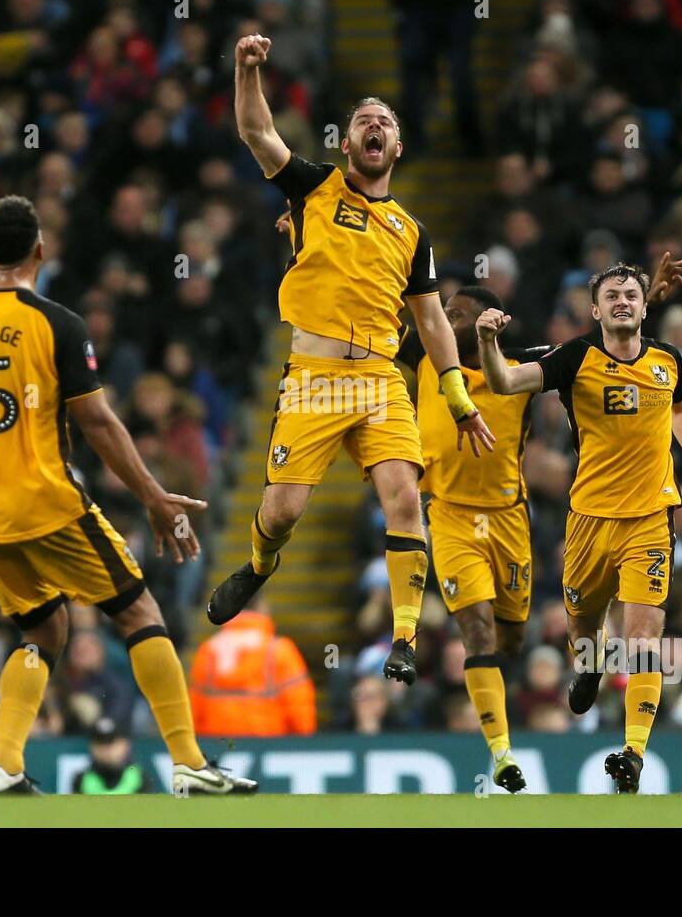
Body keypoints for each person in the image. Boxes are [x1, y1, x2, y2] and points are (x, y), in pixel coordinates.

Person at [0, 195, 255, 796]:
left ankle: (4, 765)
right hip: (46, 499)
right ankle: (191, 763)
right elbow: (97, 422)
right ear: (41, 249)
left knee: (43, 632)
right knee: (140, 613)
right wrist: (154, 496)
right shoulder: (59, 323)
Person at [206, 34, 494, 688]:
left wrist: (458, 398)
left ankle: (402, 637)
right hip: (313, 380)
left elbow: (432, 321)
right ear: (346, 143)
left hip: (378, 381)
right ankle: (258, 564)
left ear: (398, 149)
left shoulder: (412, 233)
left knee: (404, 500)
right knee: (281, 513)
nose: (376, 126)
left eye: (386, 123)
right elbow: (255, 130)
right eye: (365, 120)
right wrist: (246, 69)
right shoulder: (313, 189)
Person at [477, 258, 682, 793]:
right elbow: (506, 381)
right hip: (588, 521)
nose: (622, 301)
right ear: (595, 310)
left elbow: (681, 408)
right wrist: (488, 341)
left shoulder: (668, 360)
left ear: (645, 305)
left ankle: (632, 751)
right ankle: (591, 660)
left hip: (651, 519)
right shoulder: (576, 358)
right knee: (583, 623)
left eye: (631, 294)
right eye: (612, 296)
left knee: (645, 634)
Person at [396, 286, 542, 792]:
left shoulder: (525, 370)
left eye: (455, 314)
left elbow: (596, 351)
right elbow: (369, 315)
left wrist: (645, 303)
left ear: (488, 322)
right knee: (476, 633)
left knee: (511, 639)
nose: (442, 318)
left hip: (508, 518)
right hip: (451, 517)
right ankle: (501, 753)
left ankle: (506, 705)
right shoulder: (421, 356)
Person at [188, 598, 315, 737]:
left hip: (219, 747)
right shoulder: (279, 649)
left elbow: (195, 710)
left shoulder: (209, 650)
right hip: (268, 746)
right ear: (261, 607)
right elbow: (299, 709)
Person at [71, 718, 151, 795]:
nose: (105, 749)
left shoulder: (140, 778)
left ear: (125, 745)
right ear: (92, 747)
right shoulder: (81, 780)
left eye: (111, 743)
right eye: (100, 743)